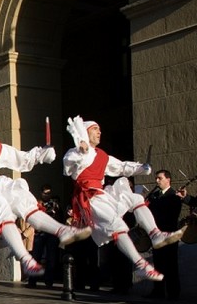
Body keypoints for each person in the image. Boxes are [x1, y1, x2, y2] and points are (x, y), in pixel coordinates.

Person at [0, 85, 91, 278]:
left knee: (22, 198)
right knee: (1, 207)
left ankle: (62, 230)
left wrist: (41, 155)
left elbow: (22, 159)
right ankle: (26, 259)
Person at [62, 116, 184, 282]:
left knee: (135, 198)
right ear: (85, 133)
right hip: (89, 198)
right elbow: (67, 166)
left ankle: (155, 234)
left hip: (102, 194)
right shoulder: (75, 152)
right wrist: (80, 151)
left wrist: (142, 168)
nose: (100, 132)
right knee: (119, 227)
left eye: (99, 129)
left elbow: (121, 166)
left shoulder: (102, 155)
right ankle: (141, 266)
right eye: (95, 129)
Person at [146, 170, 182, 300]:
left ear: (168, 179)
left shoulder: (174, 195)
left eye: (159, 178)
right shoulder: (154, 196)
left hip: (169, 234)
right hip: (156, 235)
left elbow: (172, 216)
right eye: (156, 178)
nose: (157, 181)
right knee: (158, 264)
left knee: (171, 265)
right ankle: (158, 291)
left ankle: (173, 293)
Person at [27, 184, 63, 289]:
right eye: (45, 193)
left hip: (51, 233)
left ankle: (49, 281)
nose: (47, 195)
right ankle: (32, 280)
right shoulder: (37, 203)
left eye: (48, 193)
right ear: (41, 193)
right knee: (36, 257)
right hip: (40, 233)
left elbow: (60, 218)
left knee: (51, 258)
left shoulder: (55, 204)